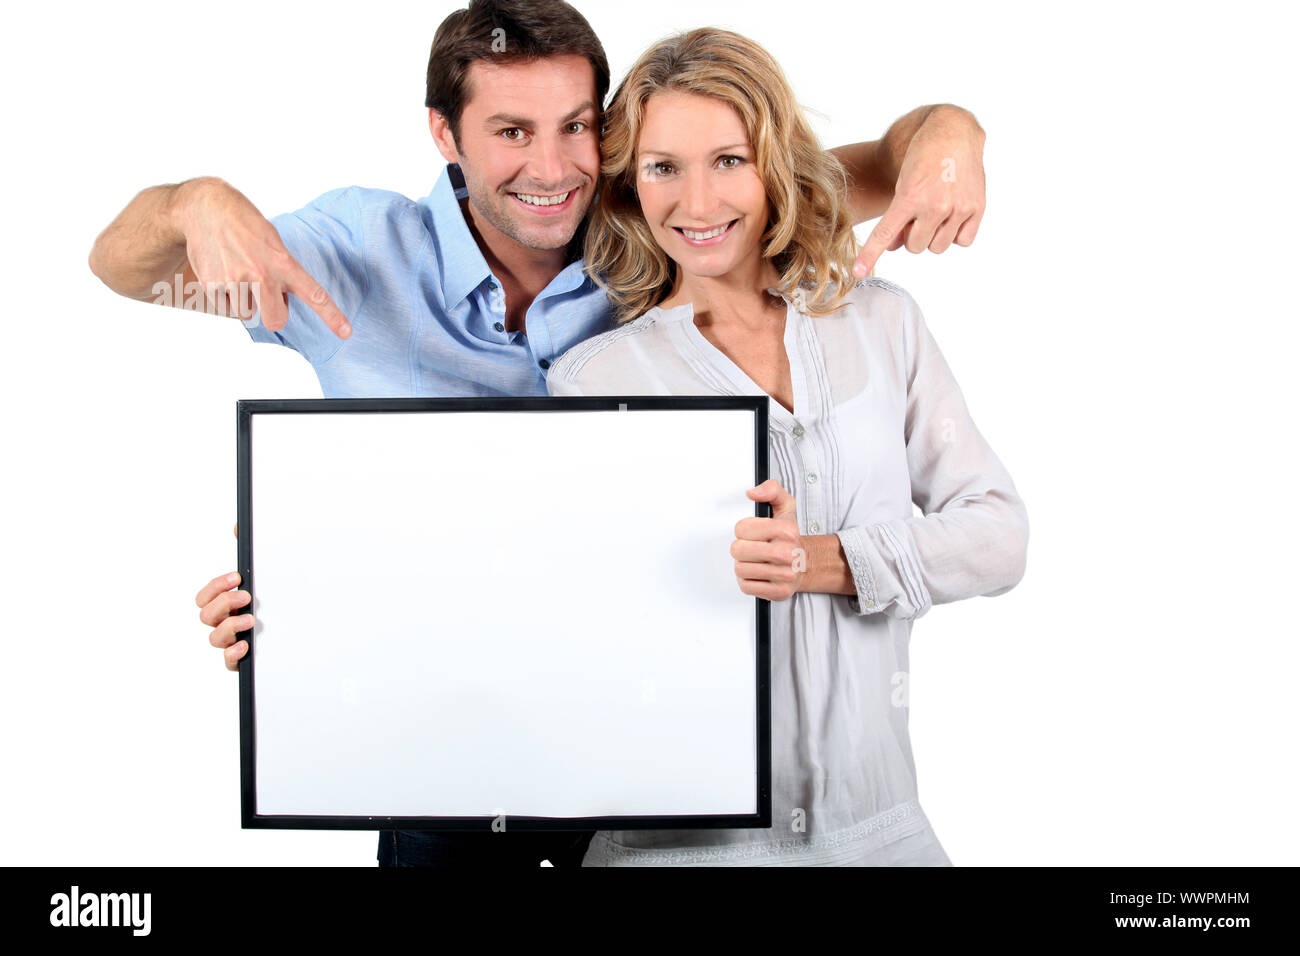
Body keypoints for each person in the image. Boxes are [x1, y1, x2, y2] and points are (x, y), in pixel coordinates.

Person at [88, 0, 991, 867]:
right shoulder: (352, 252)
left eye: (575, 126)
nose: (553, 167)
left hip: (652, 763)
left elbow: (852, 164)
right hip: (445, 775)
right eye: (511, 132)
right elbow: (123, 268)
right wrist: (189, 204)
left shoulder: (658, 214)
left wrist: (953, 129)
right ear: (445, 134)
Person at [545, 27, 1028, 865]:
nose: (696, 203)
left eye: (728, 160)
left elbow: (998, 534)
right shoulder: (595, 377)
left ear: (776, 164)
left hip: (882, 830)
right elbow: (556, 619)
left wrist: (822, 560)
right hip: (675, 847)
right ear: (628, 185)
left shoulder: (881, 322)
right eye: (662, 167)